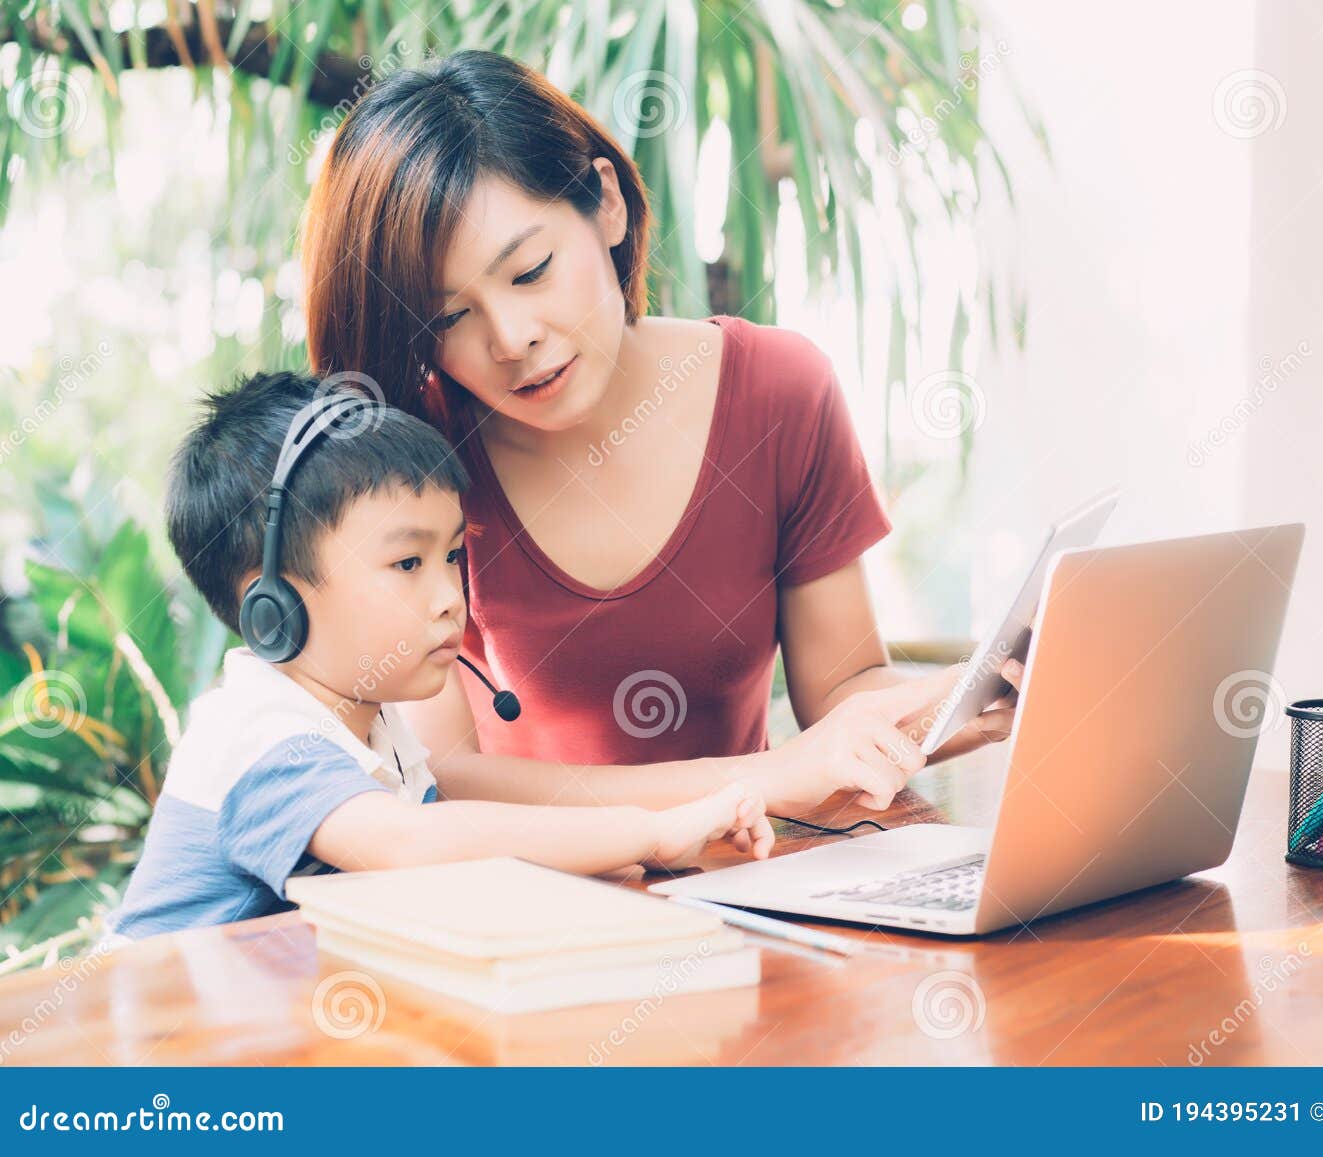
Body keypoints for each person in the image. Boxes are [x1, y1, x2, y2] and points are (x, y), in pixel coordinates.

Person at [298, 50, 1022, 819]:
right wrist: (759, 782)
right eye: (448, 316)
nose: (511, 338)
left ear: (607, 203)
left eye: (531, 270)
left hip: (761, 873)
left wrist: (972, 691)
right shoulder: (414, 453)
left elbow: (842, 696)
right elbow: (446, 777)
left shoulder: (780, 393)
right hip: (533, 883)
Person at [110, 373, 796, 938]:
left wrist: (624, 858)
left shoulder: (377, 732)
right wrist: (649, 833)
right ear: (273, 605)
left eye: (453, 557)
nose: (449, 598)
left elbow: (465, 866)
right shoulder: (258, 734)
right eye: (407, 563)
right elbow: (412, 845)